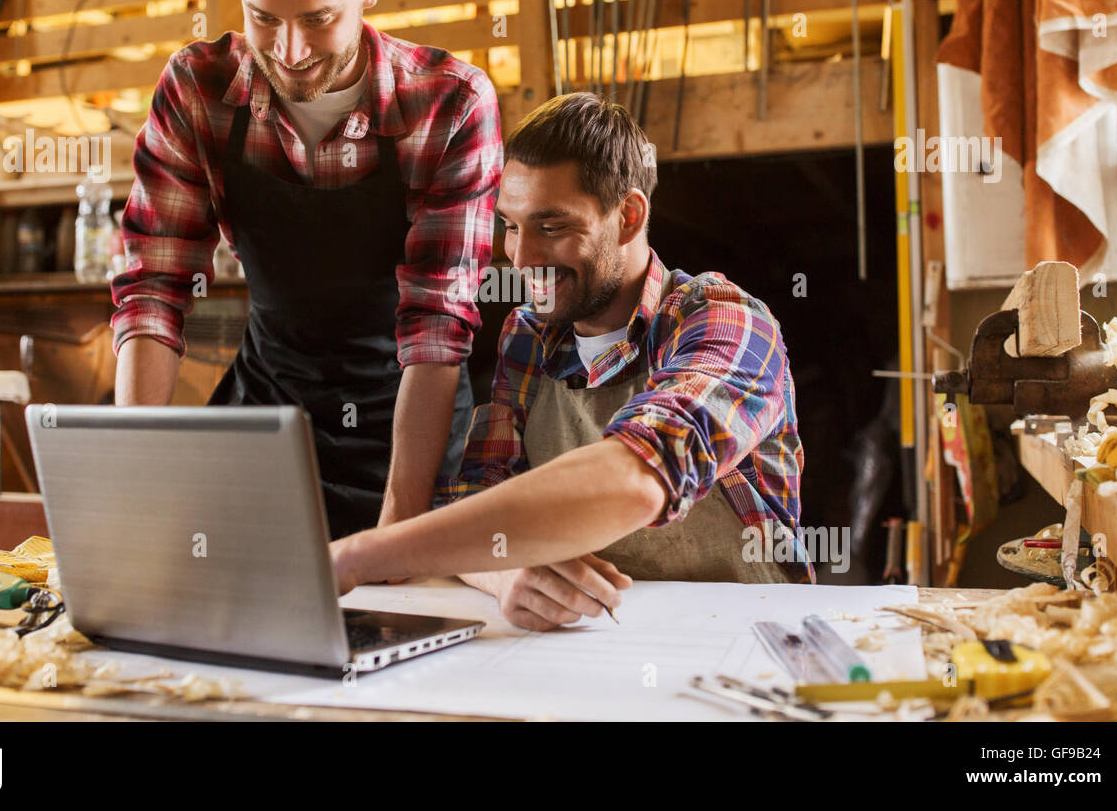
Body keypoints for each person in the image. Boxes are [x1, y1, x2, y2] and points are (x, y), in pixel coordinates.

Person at [110, 0, 502, 538]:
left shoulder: (450, 104)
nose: (289, 52)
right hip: (267, 411)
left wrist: (397, 534)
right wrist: (133, 483)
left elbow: (437, 327)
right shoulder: (197, 90)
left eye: (319, 19)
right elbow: (154, 287)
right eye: (264, 18)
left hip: (410, 421)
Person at [330, 92, 812, 629]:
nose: (522, 257)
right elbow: (473, 497)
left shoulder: (727, 323)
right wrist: (504, 570)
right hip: (590, 645)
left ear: (628, 217)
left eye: (552, 227)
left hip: (749, 645)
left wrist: (362, 556)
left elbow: (639, 473)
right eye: (511, 226)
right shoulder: (528, 338)